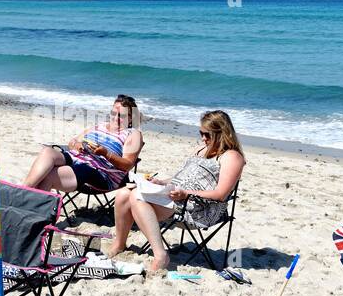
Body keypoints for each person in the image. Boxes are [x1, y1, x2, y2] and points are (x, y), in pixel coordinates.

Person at [104, 109, 245, 274]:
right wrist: (160, 182)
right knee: (124, 193)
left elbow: (221, 194)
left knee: (136, 195)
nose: (203, 138)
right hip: (175, 196)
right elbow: (182, 177)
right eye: (201, 133)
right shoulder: (202, 150)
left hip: (198, 207)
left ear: (221, 134)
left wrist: (186, 194)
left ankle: (160, 255)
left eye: (207, 135)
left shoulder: (232, 157)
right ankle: (119, 243)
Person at [22, 94, 143, 194]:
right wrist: (78, 145)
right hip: (77, 157)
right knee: (47, 152)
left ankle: (36, 213)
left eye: (121, 116)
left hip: (99, 172)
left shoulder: (133, 134)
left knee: (48, 176)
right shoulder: (100, 126)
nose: (115, 118)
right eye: (113, 113)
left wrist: (105, 153)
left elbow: (127, 165)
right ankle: (23, 190)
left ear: (131, 118)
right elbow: (72, 142)